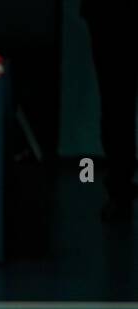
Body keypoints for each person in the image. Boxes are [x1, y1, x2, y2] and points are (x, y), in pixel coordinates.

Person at [82, 0, 137, 222]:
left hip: (108, 15)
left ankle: (120, 187)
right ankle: (120, 186)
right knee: (116, 103)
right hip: (110, 15)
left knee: (115, 103)